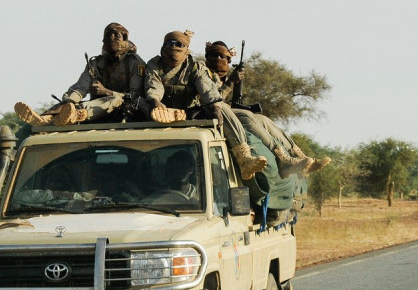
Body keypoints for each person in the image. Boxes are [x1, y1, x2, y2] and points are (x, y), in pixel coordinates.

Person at [139, 30, 268, 180]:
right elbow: (153, 86)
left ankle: (244, 157)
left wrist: (216, 107)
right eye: (170, 43)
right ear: (163, 47)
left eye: (179, 44)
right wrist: (155, 102)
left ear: (186, 49)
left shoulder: (195, 67)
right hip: (158, 112)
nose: (174, 47)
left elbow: (208, 91)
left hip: (189, 113)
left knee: (222, 108)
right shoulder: (154, 64)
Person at [204, 41, 330, 177]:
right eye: (214, 55)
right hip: (209, 112)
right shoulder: (203, 74)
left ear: (228, 59)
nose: (218, 60)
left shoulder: (224, 76)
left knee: (263, 120)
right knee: (246, 115)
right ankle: (282, 160)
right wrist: (230, 83)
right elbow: (211, 100)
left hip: (226, 111)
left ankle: (297, 156)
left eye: (222, 57)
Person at [14, 22, 146, 126]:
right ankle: (46, 118)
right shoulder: (96, 63)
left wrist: (107, 92)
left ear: (125, 39)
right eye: (107, 35)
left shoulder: (135, 63)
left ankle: (77, 113)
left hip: (126, 109)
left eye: (115, 35)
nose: (111, 38)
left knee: (115, 100)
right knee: (68, 104)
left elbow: (136, 95)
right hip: (96, 109)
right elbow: (80, 87)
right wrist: (68, 101)